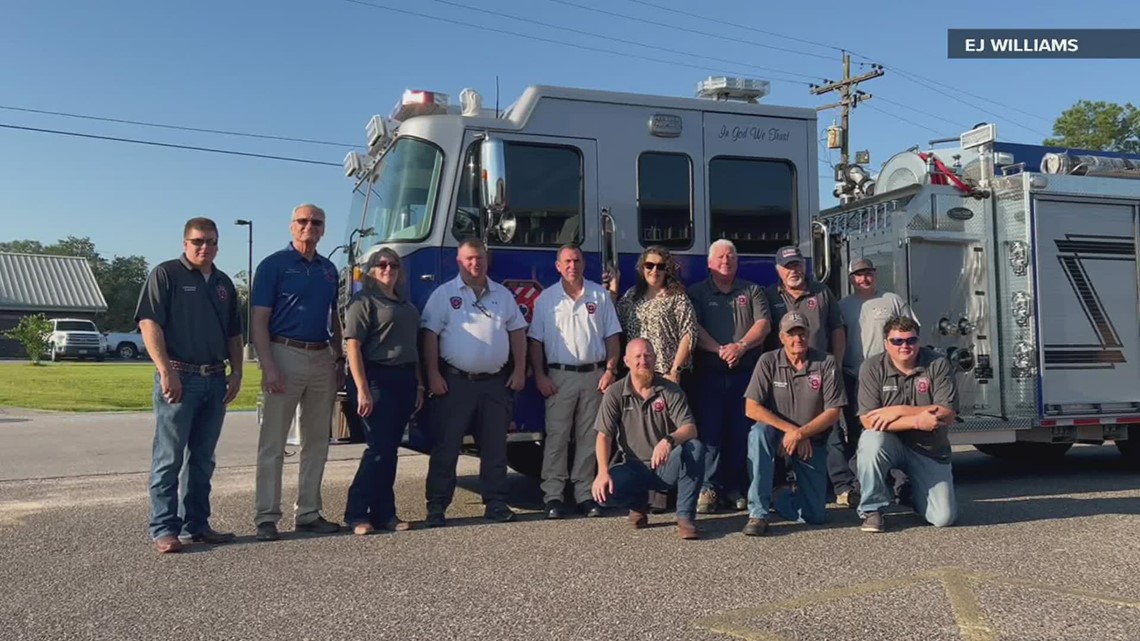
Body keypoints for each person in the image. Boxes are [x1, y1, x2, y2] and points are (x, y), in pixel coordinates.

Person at [136, 217, 244, 553]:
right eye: (198, 241)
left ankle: (196, 524)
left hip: (215, 379)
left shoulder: (224, 283)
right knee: (169, 457)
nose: (204, 247)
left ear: (218, 245)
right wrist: (166, 371)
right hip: (180, 377)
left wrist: (237, 373)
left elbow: (234, 333)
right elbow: (149, 324)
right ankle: (164, 529)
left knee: (203, 459)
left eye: (211, 241)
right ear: (185, 243)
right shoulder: (166, 274)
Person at [251, 204, 344, 541]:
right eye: (303, 221)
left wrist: (338, 357)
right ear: (292, 227)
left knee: (317, 441)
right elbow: (259, 320)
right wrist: (268, 365)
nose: (309, 227)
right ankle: (266, 516)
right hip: (283, 352)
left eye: (316, 222)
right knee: (273, 442)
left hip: (321, 356)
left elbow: (334, 316)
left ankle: (308, 512)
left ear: (323, 229)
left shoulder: (329, 269)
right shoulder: (273, 265)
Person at [421, 238, 528, 527]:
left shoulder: (503, 295)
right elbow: (429, 335)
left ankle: (496, 503)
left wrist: (520, 370)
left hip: (495, 384)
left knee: (495, 449)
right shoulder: (444, 294)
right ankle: (436, 507)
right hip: (455, 383)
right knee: (446, 447)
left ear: (486, 260)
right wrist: (433, 374)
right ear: (459, 262)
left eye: (479, 258)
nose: (475, 263)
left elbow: (518, 332)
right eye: (469, 258)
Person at [528, 244, 622, 519]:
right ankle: (553, 495)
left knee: (589, 437)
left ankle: (584, 494)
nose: (572, 266)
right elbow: (535, 342)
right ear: (558, 266)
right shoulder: (546, 299)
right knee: (556, 437)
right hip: (559, 377)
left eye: (577, 260)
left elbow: (612, 337)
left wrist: (610, 370)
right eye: (567, 261)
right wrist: (540, 375)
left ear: (583, 263)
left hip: (595, 375)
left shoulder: (599, 295)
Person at [342, 248, 424, 535]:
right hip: (375, 378)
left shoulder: (407, 305)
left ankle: (385, 514)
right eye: (382, 264)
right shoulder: (363, 301)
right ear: (372, 270)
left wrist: (419, 384)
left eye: (394, 265)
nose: (388, 269)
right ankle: (355, 513)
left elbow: (413, 347)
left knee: (390, 450)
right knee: (378, 449)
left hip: (404, 380)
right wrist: (362, 389)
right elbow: (353, 346)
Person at [741, 313, 846, 536]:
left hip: (811, 439)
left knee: (816, 516)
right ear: (781, 338)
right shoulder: (768, 360)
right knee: (758, 433)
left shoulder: (826, 362)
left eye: (802, 333)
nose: (797, 339)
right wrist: (792, 431)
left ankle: (781, 496)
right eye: (791, 334)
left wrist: (801, 434)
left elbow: (833, 412)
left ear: (809, 334)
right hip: (777, 435)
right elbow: (751, 408)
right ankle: (758, 513)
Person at [591, 338, 705, 540]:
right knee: (604, 494)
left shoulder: (670, 390)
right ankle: (638, 505)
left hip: (665, 464)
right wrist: (602, 472)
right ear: (626, 361)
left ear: (654, 359)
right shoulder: (615, 392)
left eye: (648, 356)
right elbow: (604, 435)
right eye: (638, 356)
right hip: (633, 466)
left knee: (695, 448)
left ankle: (685, 517)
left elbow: (690, 428)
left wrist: (669, 440)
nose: (643, 361)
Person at [688, 239, 771, 513]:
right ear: (709, 263)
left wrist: (741, 347)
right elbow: (693, 327)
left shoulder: (753, 290)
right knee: (710, 433)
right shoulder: (697, 292)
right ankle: (708, 488)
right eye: (721, 257)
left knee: (740, 432)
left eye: (731, 256)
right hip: (709, 374)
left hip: (745, 375)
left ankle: (736, 487)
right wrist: (720, 350)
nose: (726, 261)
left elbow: (763, 324)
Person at [856, 316, 958, 533]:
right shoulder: (872, 367)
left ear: (918, 341)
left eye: (911, 340)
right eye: (897, 341)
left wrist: (899, 410)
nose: (905, 346)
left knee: (943, 518)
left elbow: (947, 414)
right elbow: (868, 420)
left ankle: (909, 492)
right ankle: (872, 510)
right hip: (889, 444)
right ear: (886, 343)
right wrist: (917, 421)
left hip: (928, 449)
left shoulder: (938, 363)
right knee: (871, 440)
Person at [830, 258, 915, 507]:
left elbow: (911, 332)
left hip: (887, 376)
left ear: (875, 274)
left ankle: (900, 484)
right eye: (858, 275)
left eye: (867, 273)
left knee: (891, 428)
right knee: (858, 432)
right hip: (853, 375)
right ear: (851, 279)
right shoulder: (843, 306)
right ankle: (863, 483)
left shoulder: (892, 300)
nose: (863, 278)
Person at [611, 246, 698, 385]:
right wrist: (613, 291)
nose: (654, 270)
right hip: (639, 374)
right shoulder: (631, 296)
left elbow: (689, 334)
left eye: (660, 266)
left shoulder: (677, 297)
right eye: (649, 265)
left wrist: (675, 370)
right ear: (642, 268)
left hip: (667, 375)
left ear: (667, 270)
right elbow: (613, 323)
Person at [764, 246, 844, 361]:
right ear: (778, 270)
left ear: (804, 266)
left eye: (796, 265)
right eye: (787, 267)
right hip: (781, 368)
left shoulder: (822, 291)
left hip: (819, 365)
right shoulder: (769, 295)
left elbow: (837, 328)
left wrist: (837, 363)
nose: (793, 271)